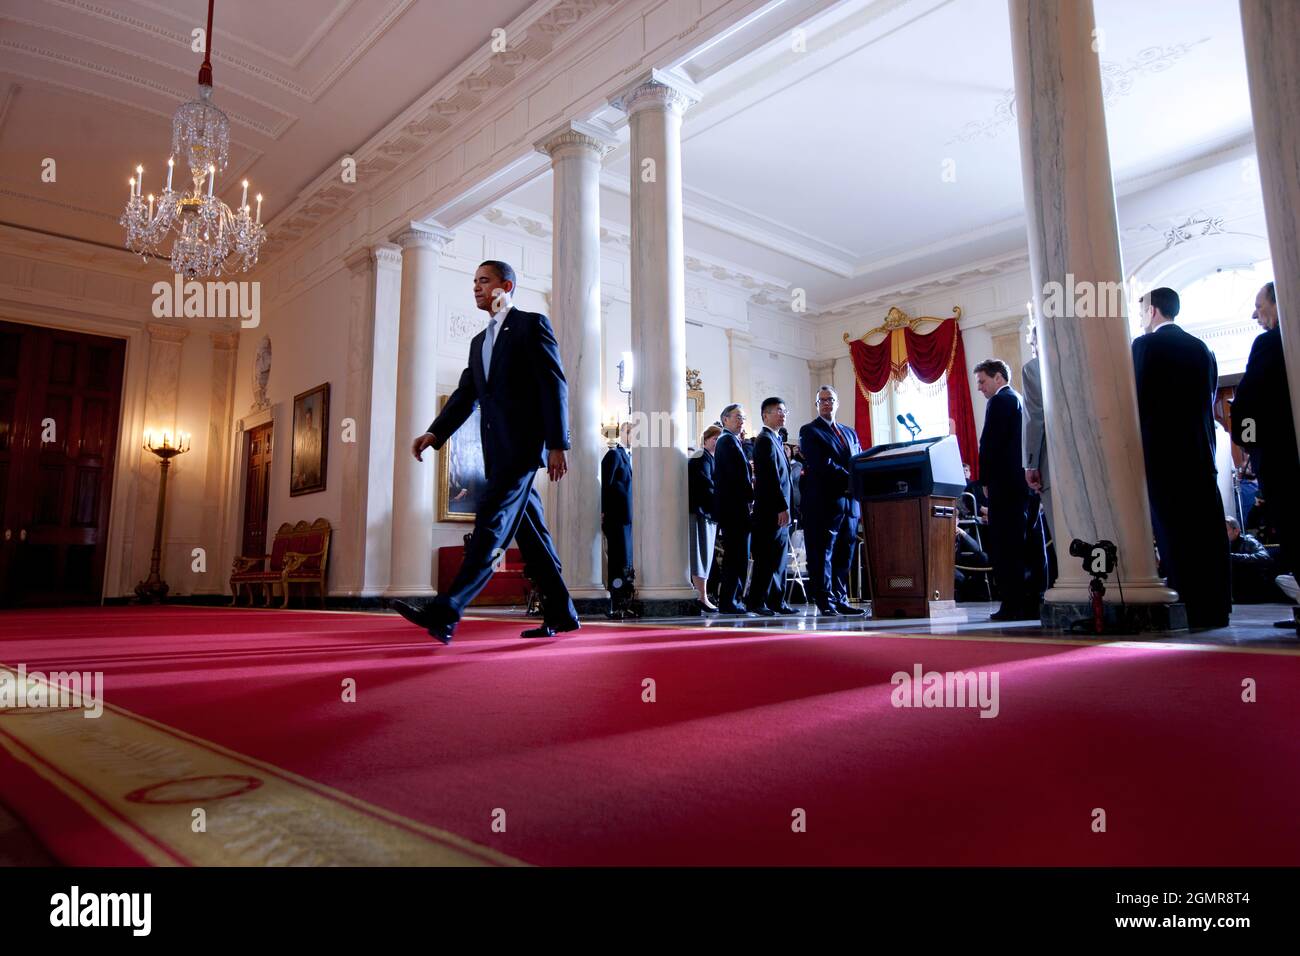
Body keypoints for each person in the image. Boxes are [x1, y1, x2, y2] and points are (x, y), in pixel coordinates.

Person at [393, 260, 578, 643]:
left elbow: (553, 384)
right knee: (534, 538)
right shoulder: (479, 343)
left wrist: (558, 443)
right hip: (496, 454)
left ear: (504, 286)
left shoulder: (531, 325)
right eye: (473, 281)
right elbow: (466, 395)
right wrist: (434, 432)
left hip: (523, 450)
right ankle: (562, 613)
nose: (476, 287)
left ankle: (446, 612)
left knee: (489, 527)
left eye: (484, 281)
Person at [1132, 287, 1230, 629]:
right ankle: (1216, 606)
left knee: (1175, 533)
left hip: (1162, 456)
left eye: (1141, 309)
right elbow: (1210, 400)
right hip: (1201, 453)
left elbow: (1136, 402)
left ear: (1153, 311)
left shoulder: (1145, 346)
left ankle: (1185, 604)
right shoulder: (1203, 348)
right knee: (1206, 531)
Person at [1232, 281, 1299, 631]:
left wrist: (1248, 445)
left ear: (1279, 302)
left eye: (1259, 306)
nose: (1255, 314)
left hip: (1281, 457)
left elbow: (1247, 402)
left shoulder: (1270, 342)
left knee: (1292, 528)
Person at [975, 358, 1047, 621]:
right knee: (1028, 546)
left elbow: (990, 445)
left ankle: (1012, 605)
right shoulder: (1018, 399)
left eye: (982, 381)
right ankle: (1031, 601)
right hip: (1023, 485)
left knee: (1007, 547)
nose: (980, 388)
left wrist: (985, 481)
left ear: (998, 378)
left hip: (1004, 486)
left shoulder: (1000, 401)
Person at [798, 385, 865, 616]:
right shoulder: (810, 431)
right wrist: (852, 479)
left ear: (837, 403)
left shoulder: (850, 432)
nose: (827, 403)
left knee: (844, 554)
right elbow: (822, 464)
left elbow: (859, 459)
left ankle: (840, 598)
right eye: (822, 400)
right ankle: (825, 600)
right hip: (823, 503)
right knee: (822, 553)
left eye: (831, 399)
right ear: (817, 405)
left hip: (850, 504)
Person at [746, 397, 795, 616]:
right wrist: (781, 507)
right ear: (765, 415)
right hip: (770, 511)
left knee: (779, 559)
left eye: (784, 411)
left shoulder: (776, 439)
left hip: (780, 510)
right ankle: (756, 602)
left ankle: (777, 601)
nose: (783, 414)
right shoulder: (764, 439)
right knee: (766, 559)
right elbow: (769, 477)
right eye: (778, 411)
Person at [713, 404, 755, 615]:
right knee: (736, 556)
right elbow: (736, 476)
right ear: (725, 419)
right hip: (734, 509)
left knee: (738, 555)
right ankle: (730, 601)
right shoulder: (727, 441)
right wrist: (751, 495)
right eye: (738, 416)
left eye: (743, 417)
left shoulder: (732, 441)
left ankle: (733, 599)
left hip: (735, 508)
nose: (742, 420)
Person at [601, 422, 634, 614]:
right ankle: (616, 602)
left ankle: (623, 600)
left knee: (626, 561)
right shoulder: (614, 455)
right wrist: (603, 511)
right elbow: (605, 484)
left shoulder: (627, 457)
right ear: (623, 434)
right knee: (618, 561)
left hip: (626, 518)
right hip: (616, 517)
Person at [689, 425, 722, 612]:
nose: (717, 442)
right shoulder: (701, 456)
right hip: (700, 511)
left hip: (707, 512)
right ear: (706, 439)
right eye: (714, 439)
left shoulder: (710, 458)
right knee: (700, 554)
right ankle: (701, 596)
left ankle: (702, 595)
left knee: (705, 555)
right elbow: (705, 485)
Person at [1225, 516, 1277, 603]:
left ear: (1236, 530)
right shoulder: (1228, 544)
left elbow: (1265, 557)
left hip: (1254, 585)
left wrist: (1232, 557)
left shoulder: (1248, 541)